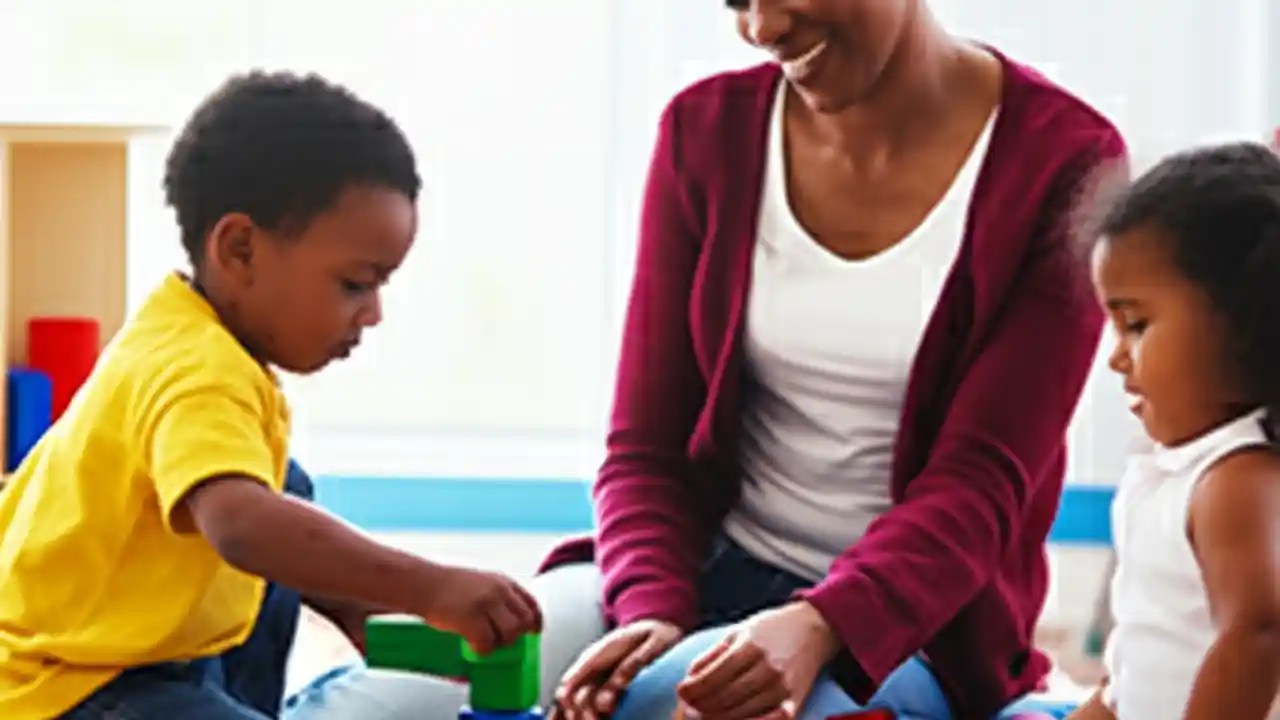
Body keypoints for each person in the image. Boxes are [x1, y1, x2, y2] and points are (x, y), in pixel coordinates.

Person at [285, 1, 1126, 718]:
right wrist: (654, 611)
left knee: (670, 706)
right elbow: (644, 448)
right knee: (390, 700)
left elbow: (981, 490)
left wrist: (819, 622)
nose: (760, 26)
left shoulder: (1065, 163)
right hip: (691, 576)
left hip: (901, 628)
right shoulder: (706, 134)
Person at [0, 71, 542, 720]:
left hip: (147, 652)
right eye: (354, 284)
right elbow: (240, 528)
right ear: (240, 249)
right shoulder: (196, 369)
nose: (372, 315)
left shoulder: (190, 338)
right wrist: (430, 586)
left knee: (286, 486)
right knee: (263, 507)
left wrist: (357, 606)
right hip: (69, 688)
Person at [1067, 143, 1280, 720]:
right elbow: (1136, 673)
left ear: (1245, 322)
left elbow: (1258, 637)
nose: (1116, 358)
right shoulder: (1167, 475)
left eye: (1136, 324)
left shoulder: (1240, 479)